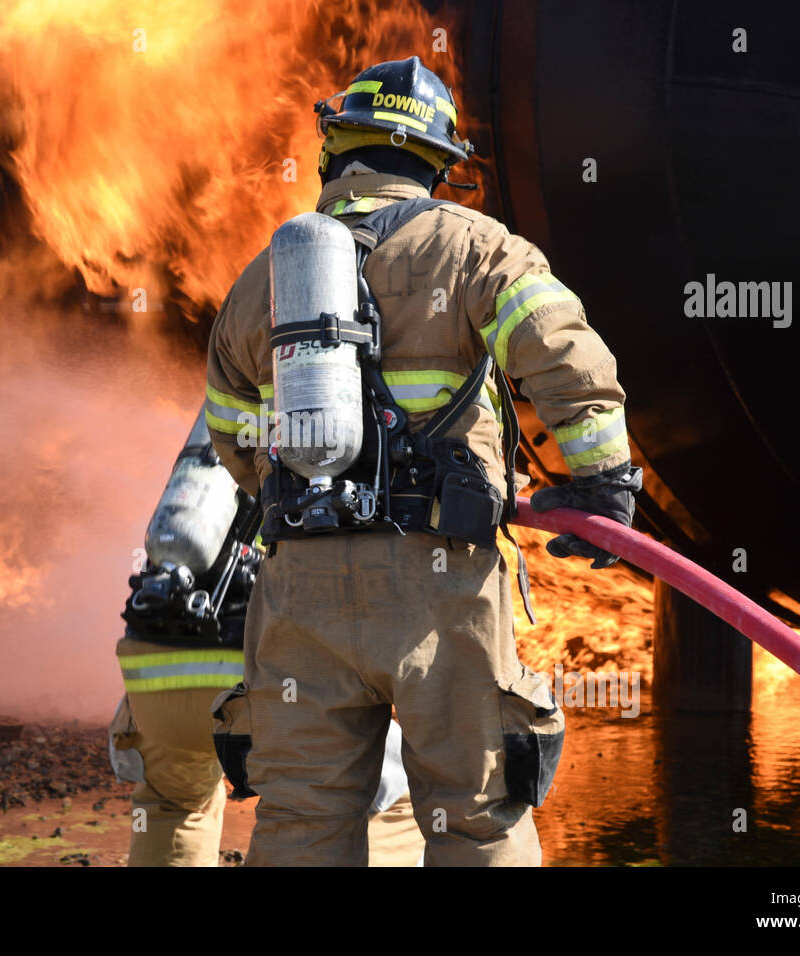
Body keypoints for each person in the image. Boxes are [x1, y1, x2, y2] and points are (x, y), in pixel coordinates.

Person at [205, 56, 641, 866]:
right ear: (436, 162)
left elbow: (231, 430)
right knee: (476, 813)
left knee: (301, 818)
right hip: (439, 582)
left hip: (301, 597)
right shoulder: (475, 246)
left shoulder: (264, 277)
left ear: (339, 151)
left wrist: (302, 505)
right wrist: (603, 486)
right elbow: (567, 357)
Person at [109, 408, 426, 866]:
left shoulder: (216, 451)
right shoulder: (354, 445)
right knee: (383, 800)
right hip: (260, 690)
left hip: (155, 685)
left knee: (173, 803)